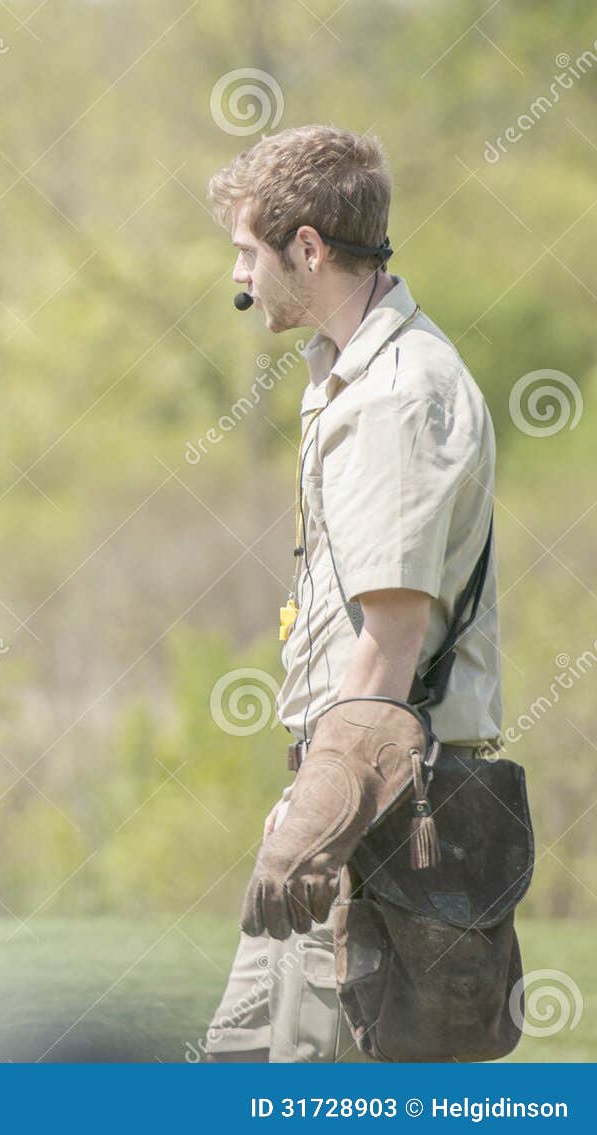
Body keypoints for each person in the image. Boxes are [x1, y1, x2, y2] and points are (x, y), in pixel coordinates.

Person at [198, 126, 502, 1061]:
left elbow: (394, 642)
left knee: (325, 1099)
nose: (238, 278)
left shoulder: (397, 398)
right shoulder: (345, 377)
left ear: (308, 248)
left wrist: (313, 827)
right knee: (239, 1071)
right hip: (341, 803)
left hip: (382, 824)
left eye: (248, 252)